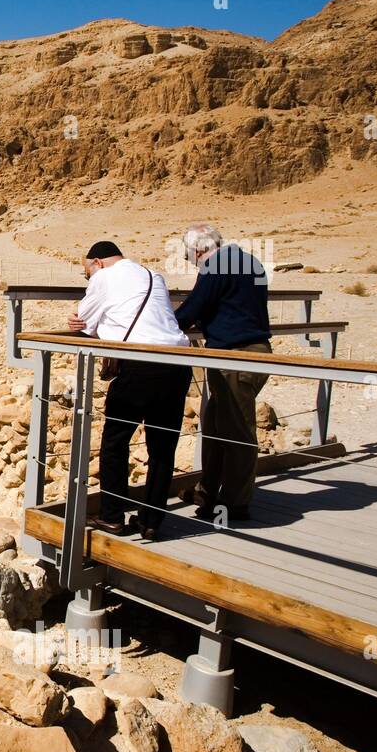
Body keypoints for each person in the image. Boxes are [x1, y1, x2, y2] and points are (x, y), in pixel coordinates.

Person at [69, 241, 192, 541]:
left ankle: (112, 517)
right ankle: (151, 522)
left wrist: (85, 320)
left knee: (115, 441)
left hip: (140, 365)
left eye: (86, 272)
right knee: (163, 447)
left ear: (96, 262)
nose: (87, 278)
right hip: (178, 364)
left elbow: (82, 322)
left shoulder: (103, 277)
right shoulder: (153, 275)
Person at [173, 224, 272, 523]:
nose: (194, 265)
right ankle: (208, 491)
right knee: (216, 424)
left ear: (198, 250)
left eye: (191, 259)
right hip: (247, 352)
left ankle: (234, 503)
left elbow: (193, 308)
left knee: (239, 430)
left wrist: (163, 326)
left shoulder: (217, 267)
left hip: (235, 357)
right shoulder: (246, 260)